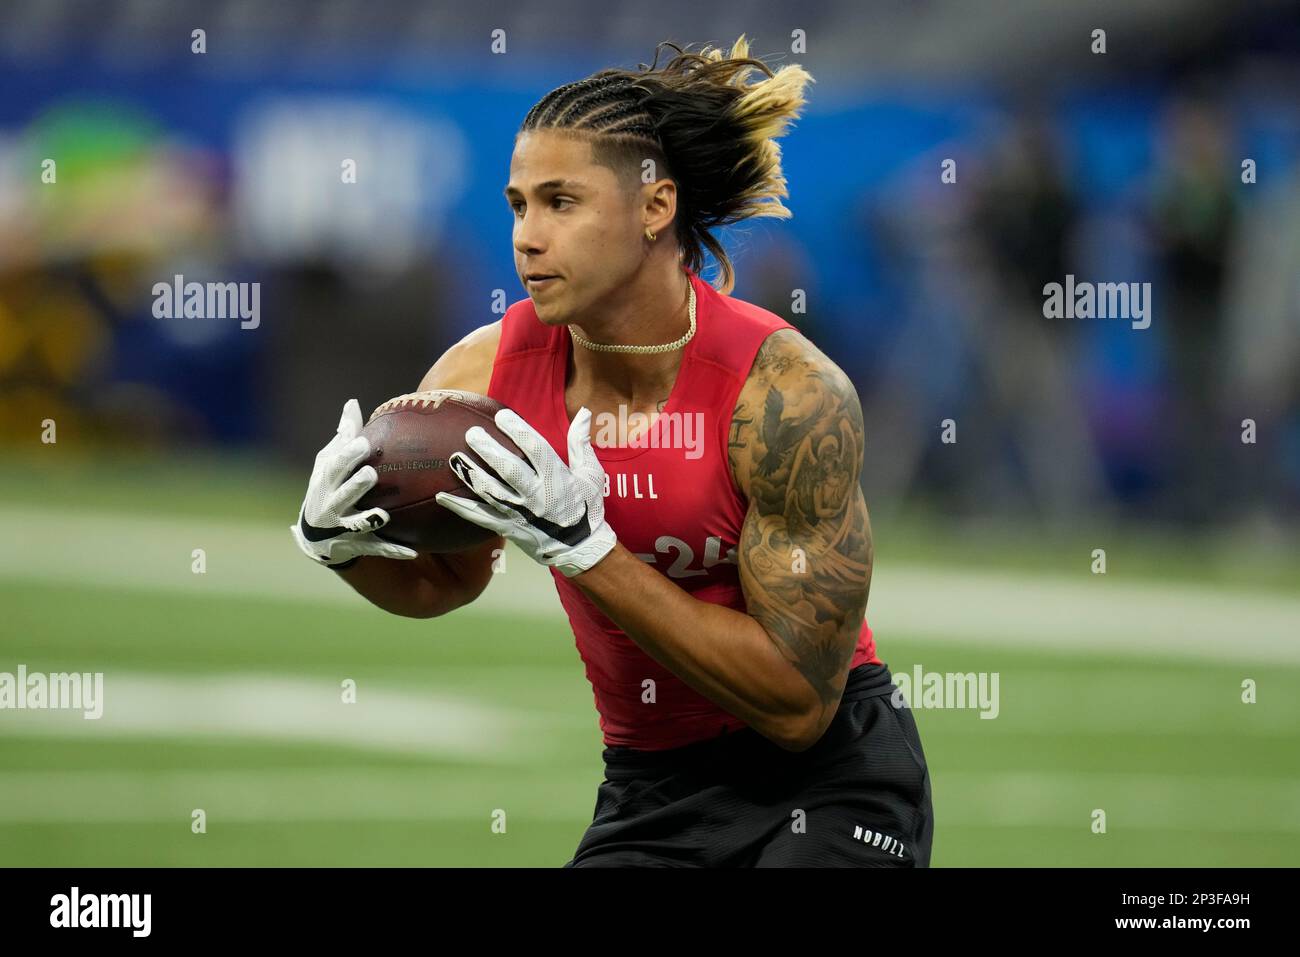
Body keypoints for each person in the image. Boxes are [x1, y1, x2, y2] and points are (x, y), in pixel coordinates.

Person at [290, 36, 933, 867]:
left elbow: (797, 703)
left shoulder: (787, 394)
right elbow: (443, 577)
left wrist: (589, 550)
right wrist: (340, 543)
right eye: (518, 204)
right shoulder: (480, 376)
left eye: (561, 202)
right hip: (650, 783)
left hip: (832, 776)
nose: (527, 236)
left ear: (654, 208)